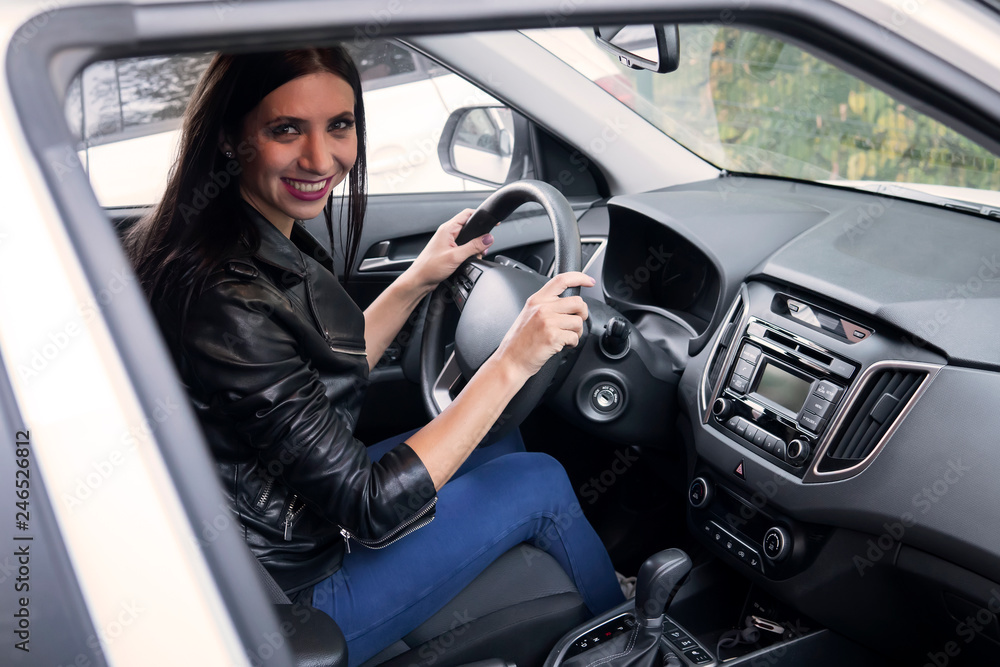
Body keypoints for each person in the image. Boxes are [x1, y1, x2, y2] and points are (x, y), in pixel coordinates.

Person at [124, 47, 623, 665]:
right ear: (231, 139)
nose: (319, 158)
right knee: (541, 479)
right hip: (287, 600)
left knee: (500, 441)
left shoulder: (227, 235)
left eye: (339, 125)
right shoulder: (227, 300)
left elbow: (313, 380)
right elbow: (368, 504)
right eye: (286, 130)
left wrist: (418, 278)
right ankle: (633, 642)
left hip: (273, 525)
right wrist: (513, 359)